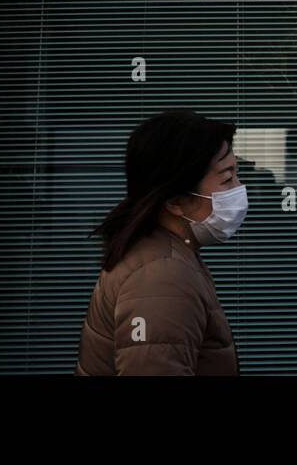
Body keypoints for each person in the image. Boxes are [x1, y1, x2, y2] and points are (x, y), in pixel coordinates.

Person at [76, 109, 243, 375]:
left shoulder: (162, 254)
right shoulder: (162, 276)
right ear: (176, 202)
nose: (239, 188)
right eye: (227, 178)